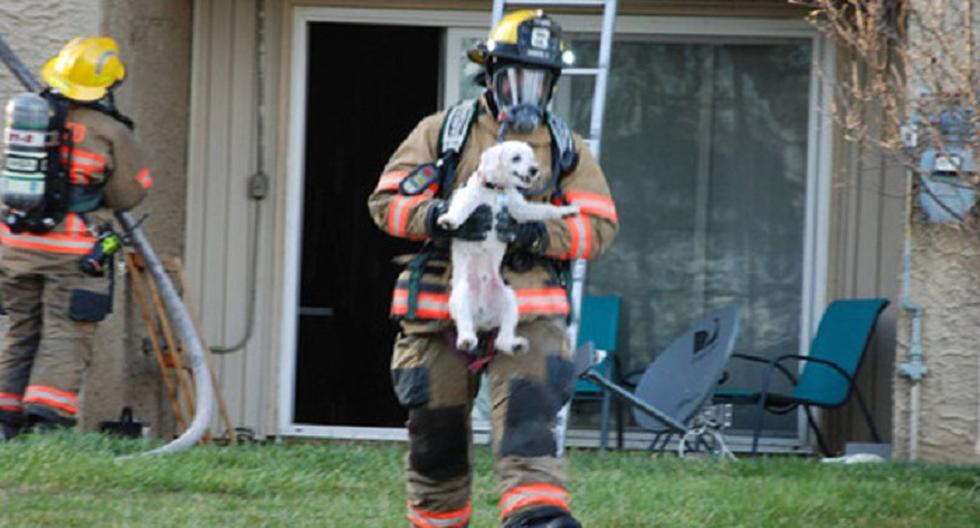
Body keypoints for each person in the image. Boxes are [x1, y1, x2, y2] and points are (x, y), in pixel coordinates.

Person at [367, 11, 618, 528]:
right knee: (436, 442)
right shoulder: (442, 133)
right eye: (516, 76)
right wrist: (438, 218)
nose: (528, 91)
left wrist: (534, 233)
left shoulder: (568, 149)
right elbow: (386, 202)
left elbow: (599, 226)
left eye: (541, 80)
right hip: (441, 312)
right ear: (491, 75)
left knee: (530, 424)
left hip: (524, 314)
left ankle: (538, 519)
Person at [0, 37, 152, 440]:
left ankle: (5, 422)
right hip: (71, 253)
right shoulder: (108, 131)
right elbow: (128, 194)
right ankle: (46, 425)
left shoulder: (26, 120)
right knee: (66, 332)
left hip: (15, 247)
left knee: (22, 329)